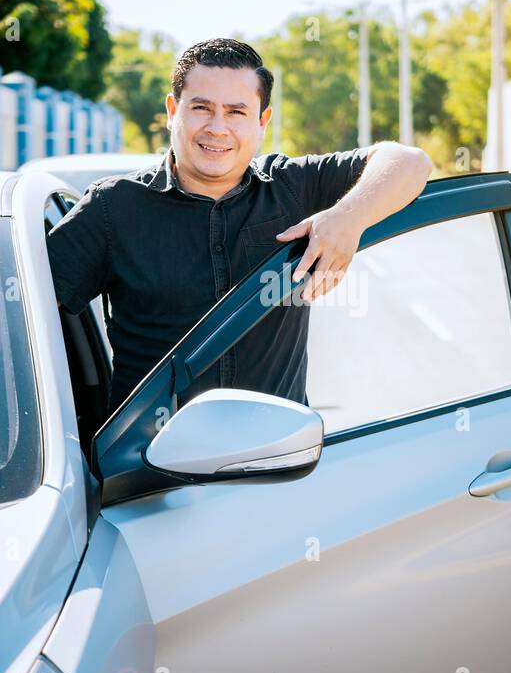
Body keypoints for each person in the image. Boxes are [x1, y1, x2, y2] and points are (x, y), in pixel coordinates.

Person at [46, 38, 432, 411]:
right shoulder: (113, 208)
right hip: (148, 469)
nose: (217, 127)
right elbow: (26, 319)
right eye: (201, 108)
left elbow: (410, 162)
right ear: (172, 110)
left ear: (262, 120)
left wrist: (347, 220)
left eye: (236, 111)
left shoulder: (292, 189)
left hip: (276, 464)